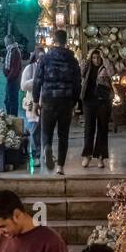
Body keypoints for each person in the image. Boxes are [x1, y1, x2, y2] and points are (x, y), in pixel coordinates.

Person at [32, 29, 81, 174]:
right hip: (66, 101)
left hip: (48, 100)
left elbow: (37, 81)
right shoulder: (72, 60)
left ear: (54, 40)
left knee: (46, 131)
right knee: (63, 134)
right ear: (66, 41)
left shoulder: (45, 59)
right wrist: (75, 102)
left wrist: (35, 101)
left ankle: (47, 146)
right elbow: (77, 83)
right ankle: (60, 167)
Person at [80, 48, 115, 168]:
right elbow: (80, 73)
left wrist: (105, 59)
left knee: (102, 128)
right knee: (89, 128)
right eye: (94, 57)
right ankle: (87, 155)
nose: (96, 60)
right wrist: (85, 60)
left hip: (103, 101)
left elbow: (112, 73)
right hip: (89, 101)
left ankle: (100, 157)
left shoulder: (106, 66)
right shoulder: (88, 66)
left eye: (98, 57)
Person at [20, 49, 42, 164]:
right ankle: (35, 155)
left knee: (45, 131)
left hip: (45, 104)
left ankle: (44, 153)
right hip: (32, 104)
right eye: (40, 57)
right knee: (34, 130)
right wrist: (36, 79)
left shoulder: (48, 68)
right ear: (36, 58)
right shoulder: (30, 68)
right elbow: (23, 86)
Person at [2, 33, 23, 117]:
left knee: (11, 101)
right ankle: (10, 117)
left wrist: (9, 78)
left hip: (13, 81)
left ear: (8, 41)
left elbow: (15, 69)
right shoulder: (11, 50)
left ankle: (13, 119)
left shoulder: (14, 51)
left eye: (5, 41)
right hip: (12, 80)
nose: (4, 43)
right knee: (8, 100)